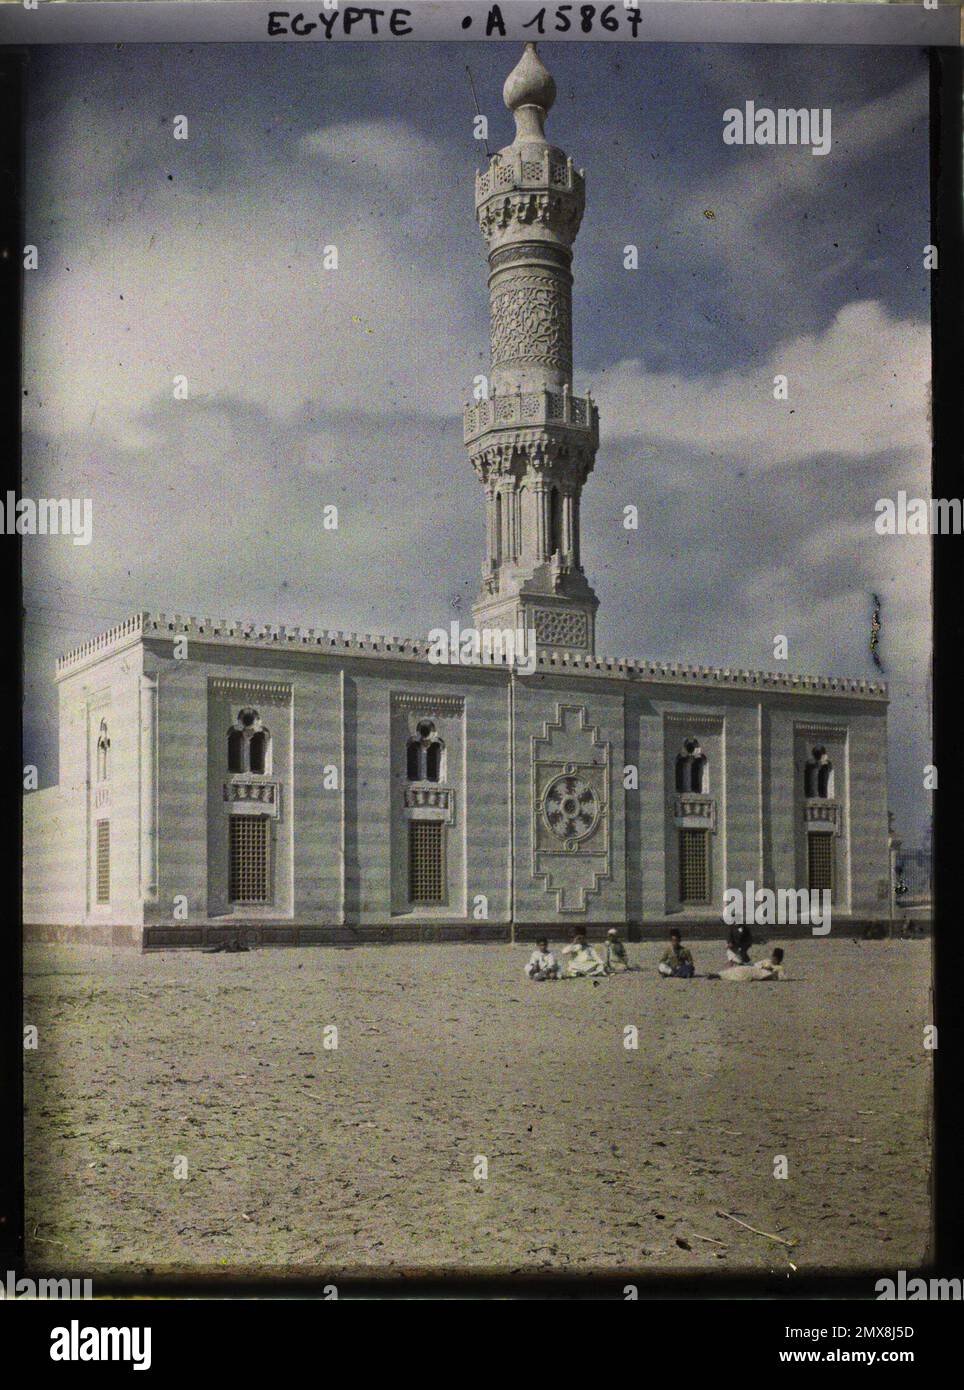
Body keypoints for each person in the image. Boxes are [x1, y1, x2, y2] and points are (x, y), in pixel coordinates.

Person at [718, 947, 786, 982]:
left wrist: (771, 970)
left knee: (739, 974)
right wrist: (763, 967)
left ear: (778, 959)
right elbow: (756, 965)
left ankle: (718, 976)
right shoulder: (767, 960)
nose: (773, 959)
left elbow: (782, 977)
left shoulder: (779, 967)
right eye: (773, 957)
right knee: (737, 969)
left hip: (756, 974)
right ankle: (718, 975)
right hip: (753, 969)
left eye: (775, 958)